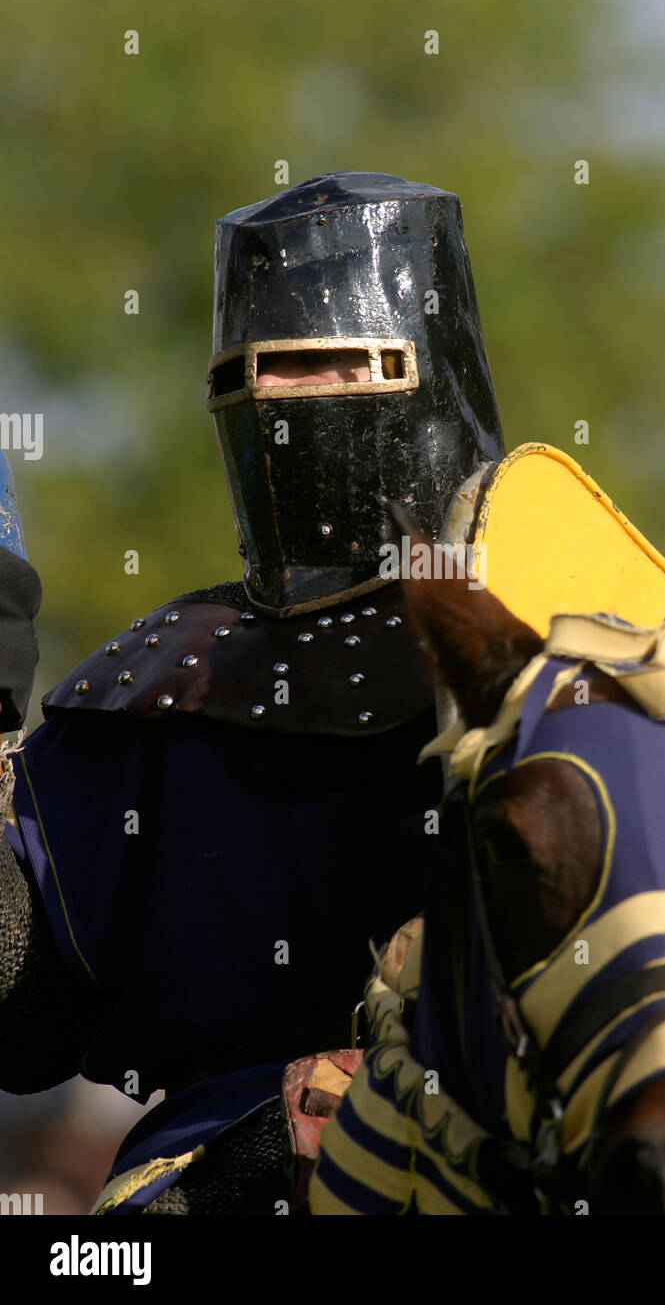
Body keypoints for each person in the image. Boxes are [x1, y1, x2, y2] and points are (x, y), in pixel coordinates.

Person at [0, 172, 504, 1213]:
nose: (276, 401)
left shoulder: (562, 672)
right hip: (204, 1183)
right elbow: (20, 1011)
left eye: (326, 365)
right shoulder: (156, 697)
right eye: (249, 374)